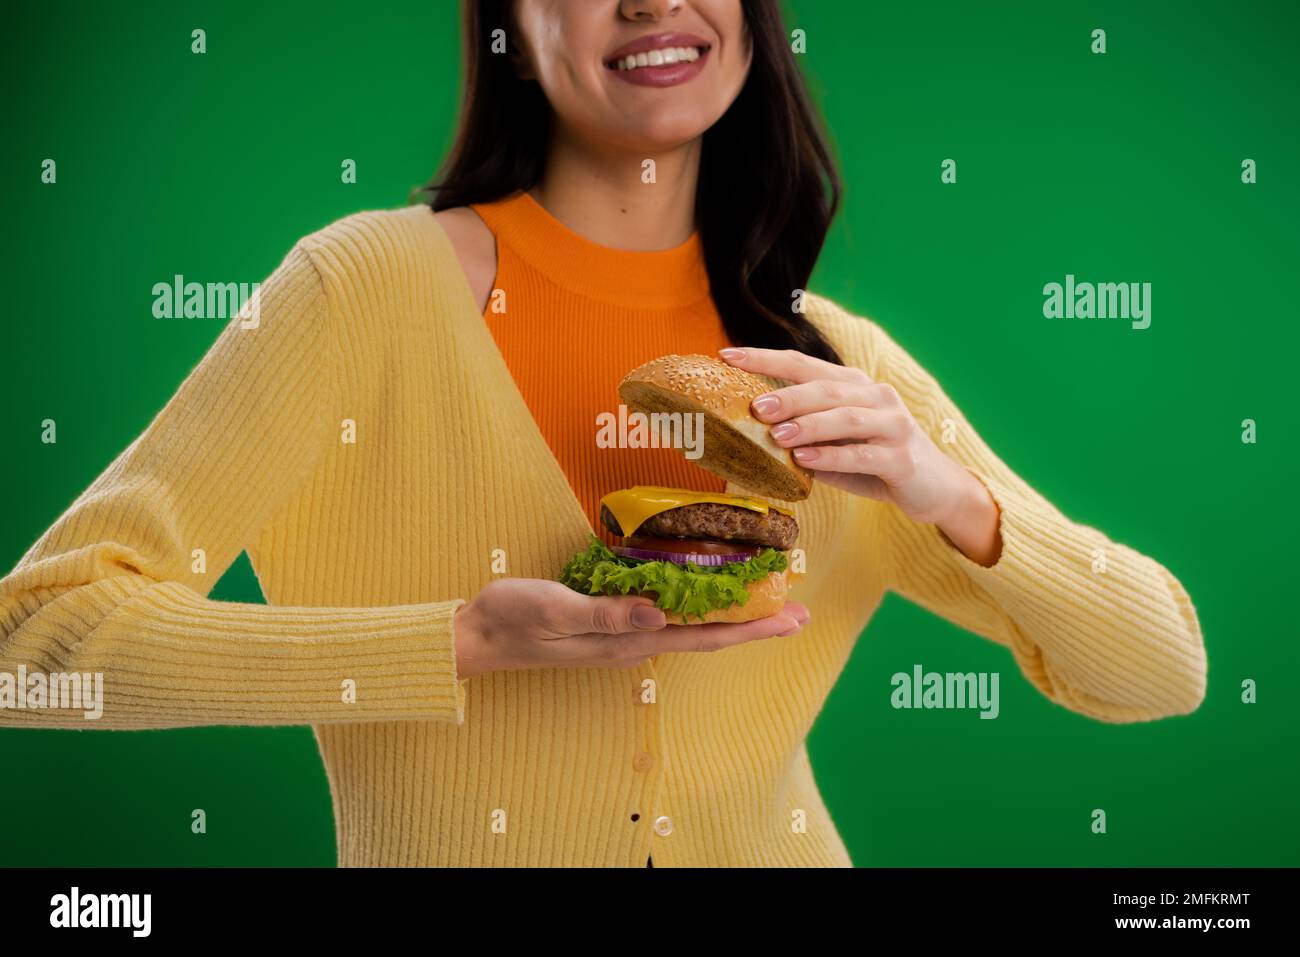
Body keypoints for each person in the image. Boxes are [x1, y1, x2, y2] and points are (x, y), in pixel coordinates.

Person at [0, 0, 1206, 867]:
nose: (649, 2)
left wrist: (953, 496)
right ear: (508, 31)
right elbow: (32, 646)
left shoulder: (841, 368)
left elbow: (1161, 673)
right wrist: (457, 641)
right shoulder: (358, 290)